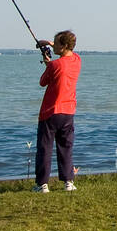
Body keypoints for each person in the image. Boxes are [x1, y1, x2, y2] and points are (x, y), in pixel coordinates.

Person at [33, 30, 80, 193]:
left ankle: (42, 185)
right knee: (66, 147)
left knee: (45, 149)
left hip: (50, 112)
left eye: (56, 44)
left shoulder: (54, 65)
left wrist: (48, 64)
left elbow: (42, 82)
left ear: (64, 45)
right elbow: (68, 55)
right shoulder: (77, 60)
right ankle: (68, 182)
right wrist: (50, 43)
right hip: (68, 112)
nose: (53, 47)